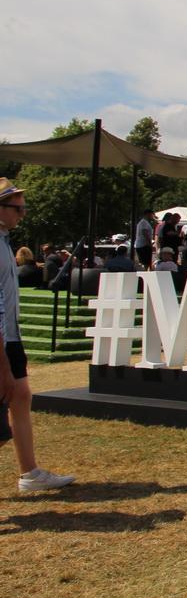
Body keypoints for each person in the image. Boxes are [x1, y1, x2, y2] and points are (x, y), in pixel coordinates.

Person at [0, 178, 76, 492]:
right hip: (3, 340)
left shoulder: (4, 241)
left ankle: (30, 472)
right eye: (18, 208)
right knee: (11, 397)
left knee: (21, 396)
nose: (23, 214)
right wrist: (3, 358)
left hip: (9, 338)